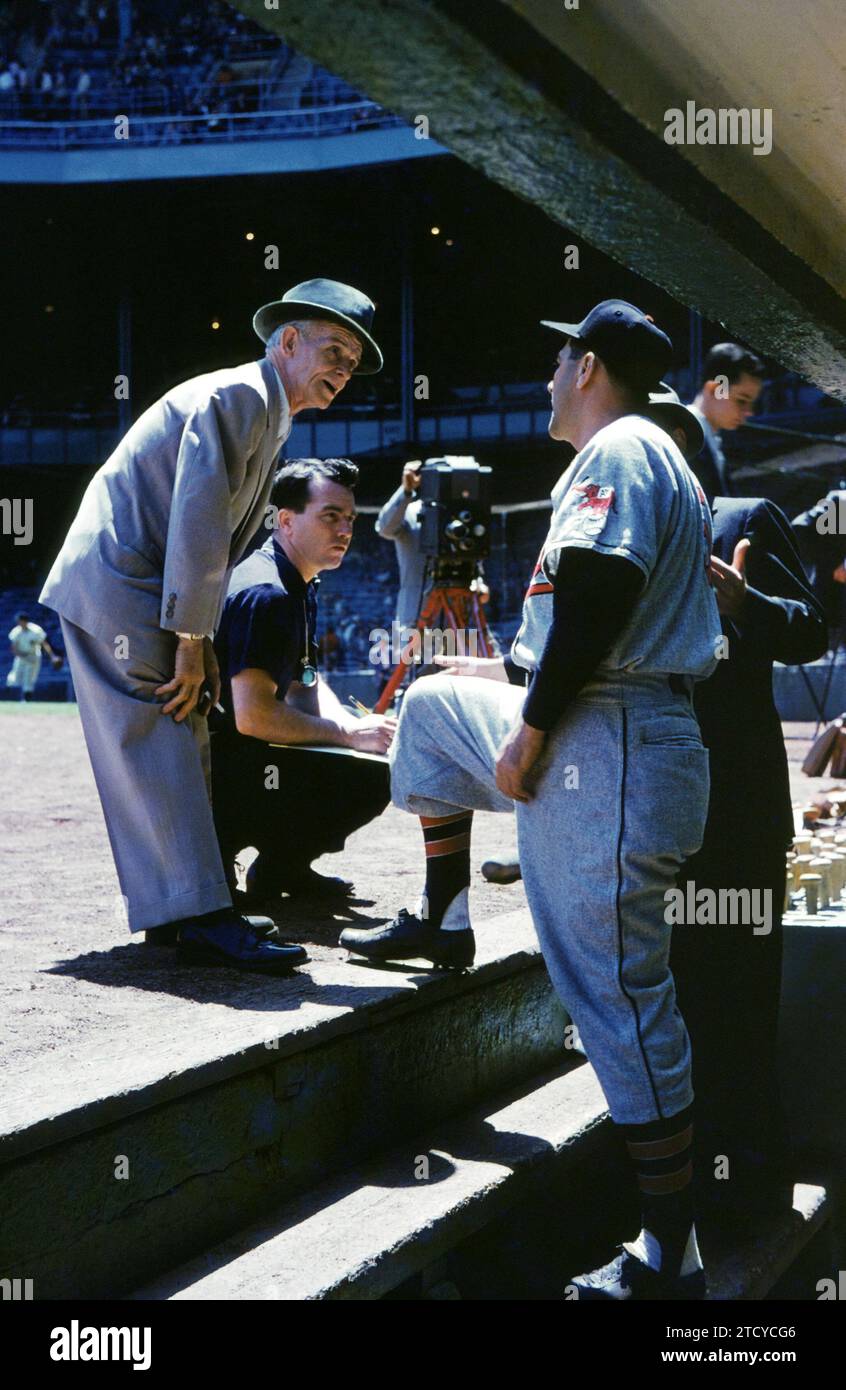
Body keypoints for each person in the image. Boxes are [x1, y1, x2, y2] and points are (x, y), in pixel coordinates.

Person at [342, 300, 722, 1299]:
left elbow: (600, 585)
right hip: (605, 723)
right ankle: (446, 916)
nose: (550, 375)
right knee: (427, 706)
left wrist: (534, 730)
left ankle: (668, 1258)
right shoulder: (634, 450)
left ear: (587, 364)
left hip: (611, 732)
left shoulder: (626, 445)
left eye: (561, 359)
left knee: (621, 1004)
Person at [39, 279, 382, 973]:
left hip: (136, 579)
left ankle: (184, 912)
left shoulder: (265, 406)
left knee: (176, 728)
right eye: (334, 349)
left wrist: (201, 642)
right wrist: (193, 642)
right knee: (163, 732)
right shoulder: (244, 397)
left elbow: (213, 536)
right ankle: (201, 917)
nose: (343, 369)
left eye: (352, 360)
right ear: (287, 341)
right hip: (125, 578)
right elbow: (197, 520)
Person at [671, 494, 827, 1222]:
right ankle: (681, 1193)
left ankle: (752, 1194)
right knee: (674, 1011)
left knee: (738, 1008)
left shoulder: (745, 520)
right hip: (650, 818)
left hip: (737, 820)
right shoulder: (616, 531)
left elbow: (811, 630)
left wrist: (744, 600)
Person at [211, 459, 395, 910]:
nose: (345, 530)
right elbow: (254, 716)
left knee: (370, 753)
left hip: (239, 755)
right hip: (214, 770)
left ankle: (281, 867)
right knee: (372, 776)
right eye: (330, 516)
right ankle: (224, 861)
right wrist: (347, 735)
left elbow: (305, 680)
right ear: (287, 521)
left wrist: (357, 726)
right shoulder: (267, 594)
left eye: (350, 519)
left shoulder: (296, 581)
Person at [688, 343, 766, 503]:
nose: (749, 412)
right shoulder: (684, 439)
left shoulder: (705, 437)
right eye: (742, 400)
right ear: (714, 389)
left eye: (752, 403)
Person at [375, 460, 428, 632]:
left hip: (458, 617)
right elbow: (384, 528)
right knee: (411, 659)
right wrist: (406, 491)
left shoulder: (463, 517)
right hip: (414, 615)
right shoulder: (411, 512)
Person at [6, 611, 62, 701]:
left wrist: (52, 656)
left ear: (25, 621)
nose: (19, 623)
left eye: (21, 621)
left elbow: (44, 644)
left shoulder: (36, 630)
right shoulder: (16, 631)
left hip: (33, 656)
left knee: (29, 678)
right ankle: (9, 698)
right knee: (14, 678)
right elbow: (13, 648)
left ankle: (26, 700)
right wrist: (21, 655)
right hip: (21, 656)